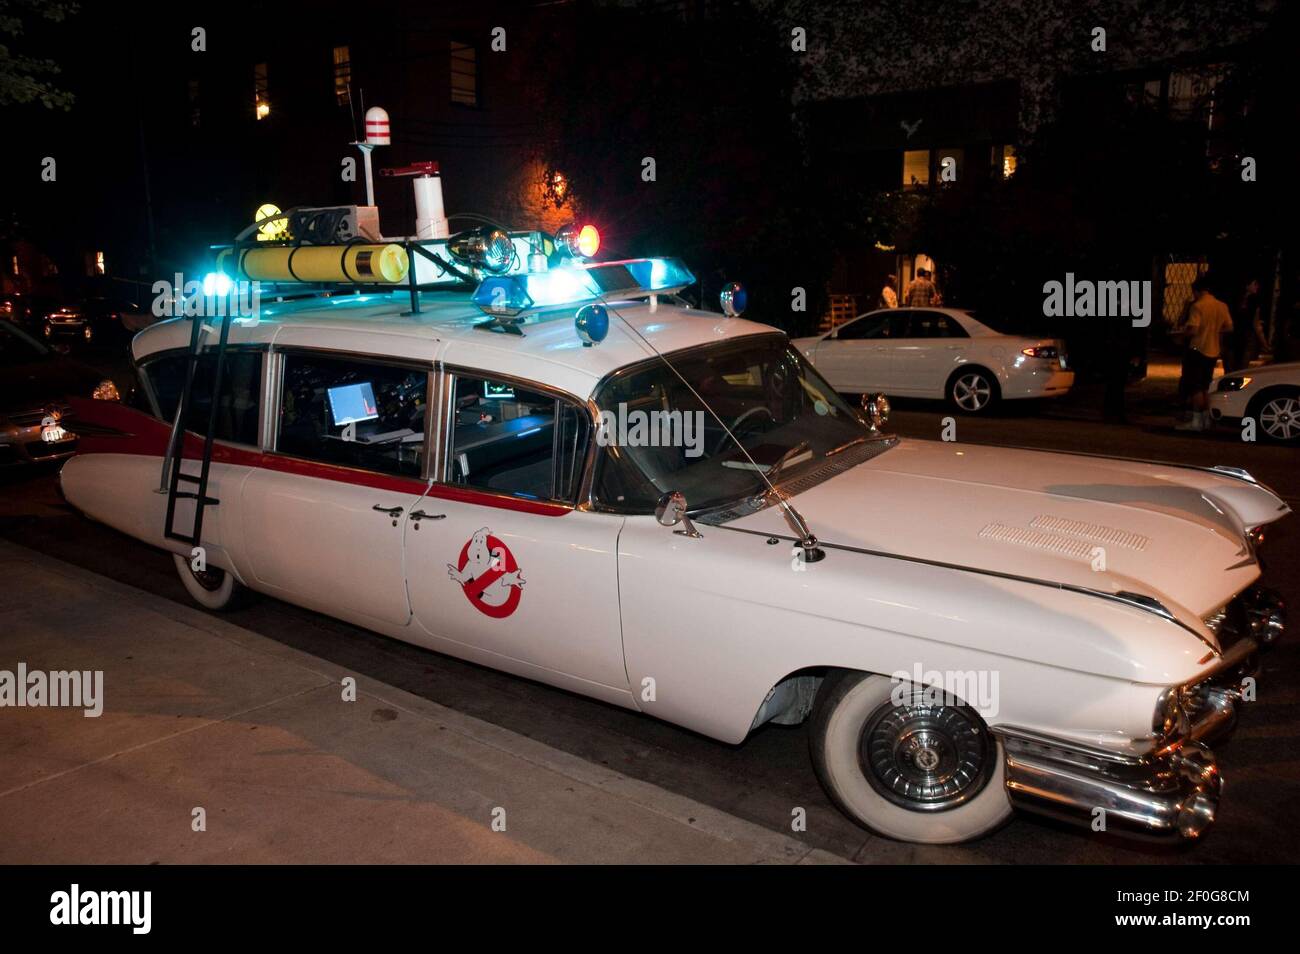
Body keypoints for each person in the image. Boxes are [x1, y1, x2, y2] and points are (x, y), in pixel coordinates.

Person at [1175, 277, 1233, 431]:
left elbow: (1193, 329)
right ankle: (1207, 420)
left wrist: (1182, 333)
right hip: (1213, 350)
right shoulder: (1222, 305)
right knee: (1205, 386)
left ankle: (1196, 421)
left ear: (1197, 291)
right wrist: (1214, 330)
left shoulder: (1198, 306)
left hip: (1197, 349)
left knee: (1194, 387)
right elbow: (1229, 327)